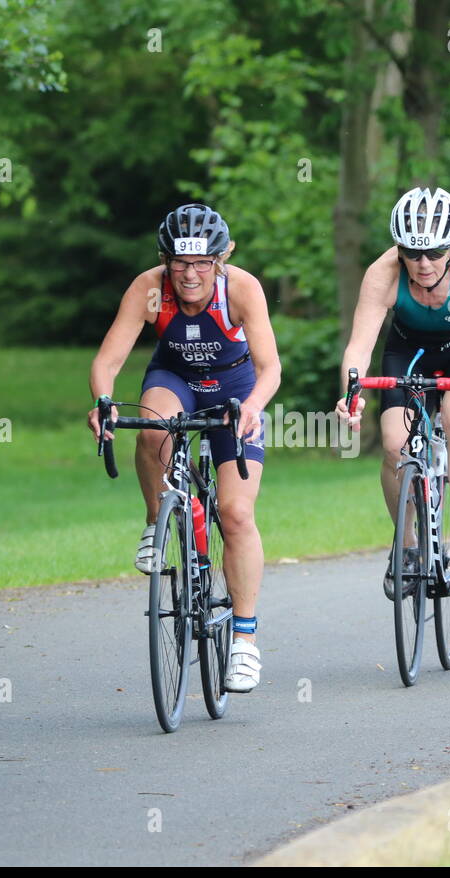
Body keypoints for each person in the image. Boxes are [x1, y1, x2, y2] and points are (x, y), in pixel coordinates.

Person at [88, 203, 281, 693]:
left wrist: (254, 406)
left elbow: (271, 366)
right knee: (153, 426)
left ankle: (244, 639)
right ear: (164, 259)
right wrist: (104, 402)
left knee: (236, 515)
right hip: (175, 379)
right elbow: (108, 359)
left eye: (201, 263)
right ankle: (157, 522)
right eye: (179, 262)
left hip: (235, 388)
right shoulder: (148, 288)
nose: (190, 274)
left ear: (223, 257)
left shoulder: (241, 288)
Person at [335, 186, 450, 592]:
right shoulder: (383, 274)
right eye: (412, 253)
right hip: (407, 352)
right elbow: (359, 346)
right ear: (399, 250)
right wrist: (350, 394)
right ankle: (407, 546)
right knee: (395, 445)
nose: (423, 263)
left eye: (434, 253)